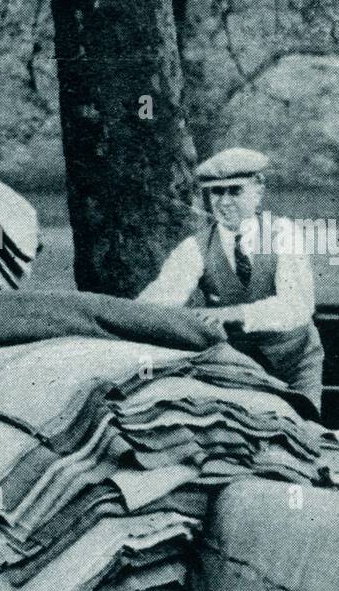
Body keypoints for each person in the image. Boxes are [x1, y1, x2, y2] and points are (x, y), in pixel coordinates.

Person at [138, 147, 325, 411]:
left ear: (258, 190)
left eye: (235, 191)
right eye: (216, 192)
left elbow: (296, 307)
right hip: (240, 370)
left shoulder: (285, 234)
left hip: (293, 365)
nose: (224, 202)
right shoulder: (196, 247)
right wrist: (135, 318)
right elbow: (160, 298)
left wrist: (232, 313)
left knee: (305, 435)